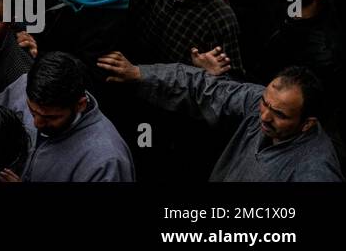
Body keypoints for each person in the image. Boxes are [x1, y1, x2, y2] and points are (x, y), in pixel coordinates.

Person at [99, 57, 343, 181]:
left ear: (308, 123)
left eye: (279, 114)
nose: (265, 116)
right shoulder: (259, 104)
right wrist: (142, 74)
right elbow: (201, 88)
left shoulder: (315, 171)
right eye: (265, 103)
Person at [0, 51, 135, 181]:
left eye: (51, 117)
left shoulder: (106, 161)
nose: (37, 123)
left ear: (80, 105)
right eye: (32, 111)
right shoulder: (22, 86)